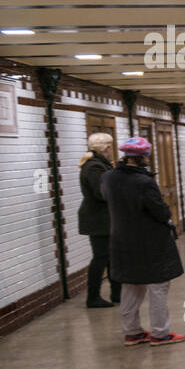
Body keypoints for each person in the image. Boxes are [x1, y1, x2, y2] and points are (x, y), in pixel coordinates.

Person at [101, 136, 185, 346]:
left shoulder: (108, 178)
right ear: (142, 157)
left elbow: (106, 199)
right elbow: (158, 210)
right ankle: (160, 333)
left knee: (131, 286)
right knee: (158, 286)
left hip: (121, 239)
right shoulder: (144, 181)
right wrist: (167, 214)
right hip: (150, 242)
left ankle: (132, 332)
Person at [77, 131, 120, 309]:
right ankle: (93, 297)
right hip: (98, 219)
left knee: (111, 257)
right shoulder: (95, 167)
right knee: (101, 257)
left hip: (102, 218)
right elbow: (101, 193)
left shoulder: (99, 164)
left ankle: (116, 293)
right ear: (107, 148)